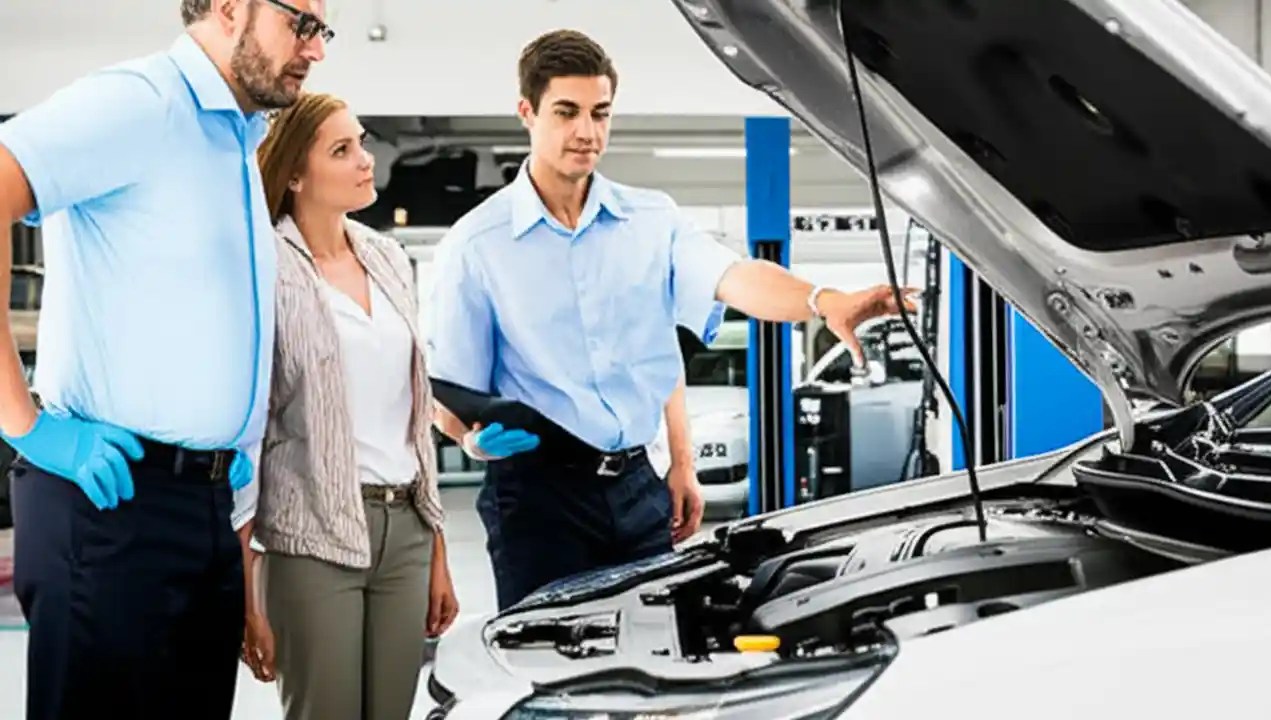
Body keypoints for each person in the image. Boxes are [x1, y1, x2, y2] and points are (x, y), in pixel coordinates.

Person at [426, 29, 915, 611]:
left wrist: (822, 300)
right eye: (567, 112)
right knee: (554, 680)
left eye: (600, 113)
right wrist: (473, 442)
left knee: (653, 666)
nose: (587, 132)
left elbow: (731, 279)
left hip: (639, 486)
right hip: (538, 497)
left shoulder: (651, 220)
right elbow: (451, 396)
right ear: (527, 112)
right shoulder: (477, 245)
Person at [0, 1, 329, 718]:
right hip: (111, 499)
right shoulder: (140, 102)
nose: (317, 49)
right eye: (301, 24)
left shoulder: (234, 144)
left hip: (200, 508)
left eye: (321, 30)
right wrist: (20, 421)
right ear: (230, 8)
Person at [235, 91, 462, 720]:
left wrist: (437, 549)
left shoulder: (389, 258)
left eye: (362, 143)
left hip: (406, 530)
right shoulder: (265, 268)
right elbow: (246, 431)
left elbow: (416, 420)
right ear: (297, 172)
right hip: (309, 539)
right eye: (343, 150)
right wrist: (248, 592)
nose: (366, 160)